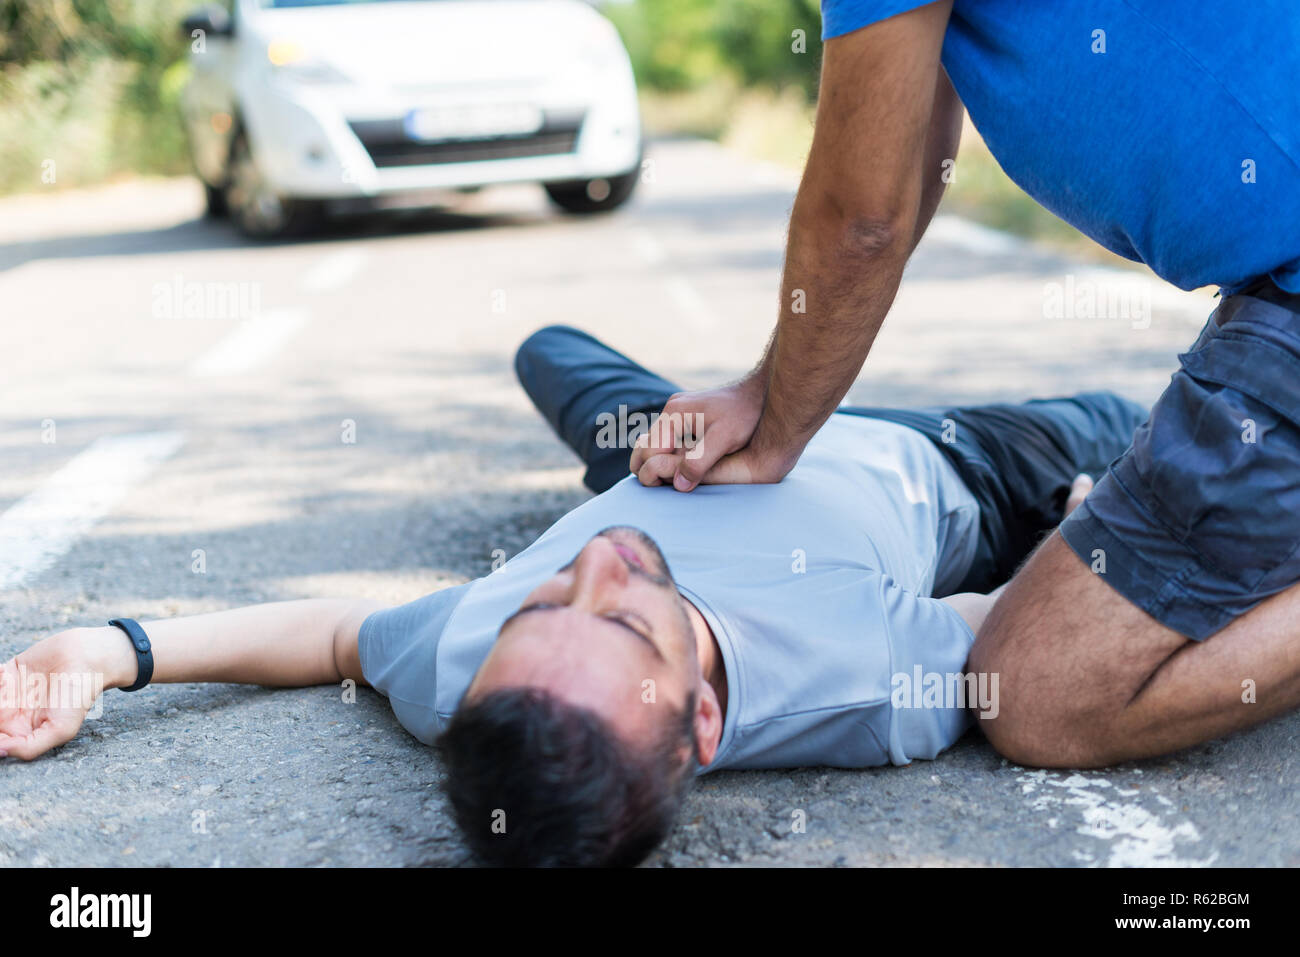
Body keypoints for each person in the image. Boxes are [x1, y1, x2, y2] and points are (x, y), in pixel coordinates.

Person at [0, 326, 1142, 866]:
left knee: (547, 350)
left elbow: (338, 632)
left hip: (671, 445)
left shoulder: (464, 666)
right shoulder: (871, 691)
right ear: (702, 718)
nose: (604, 563)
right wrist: (1080, 527)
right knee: (1126, 428)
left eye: (540, 606)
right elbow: (1022, 622)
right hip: (955, 469)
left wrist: (108, 648)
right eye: (626, 612)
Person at [629, 1, 1300, 768]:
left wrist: (773, 419)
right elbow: (910, 154)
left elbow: (862, 218)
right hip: (1269, 295)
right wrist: (769, 391)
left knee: (1034, 689)